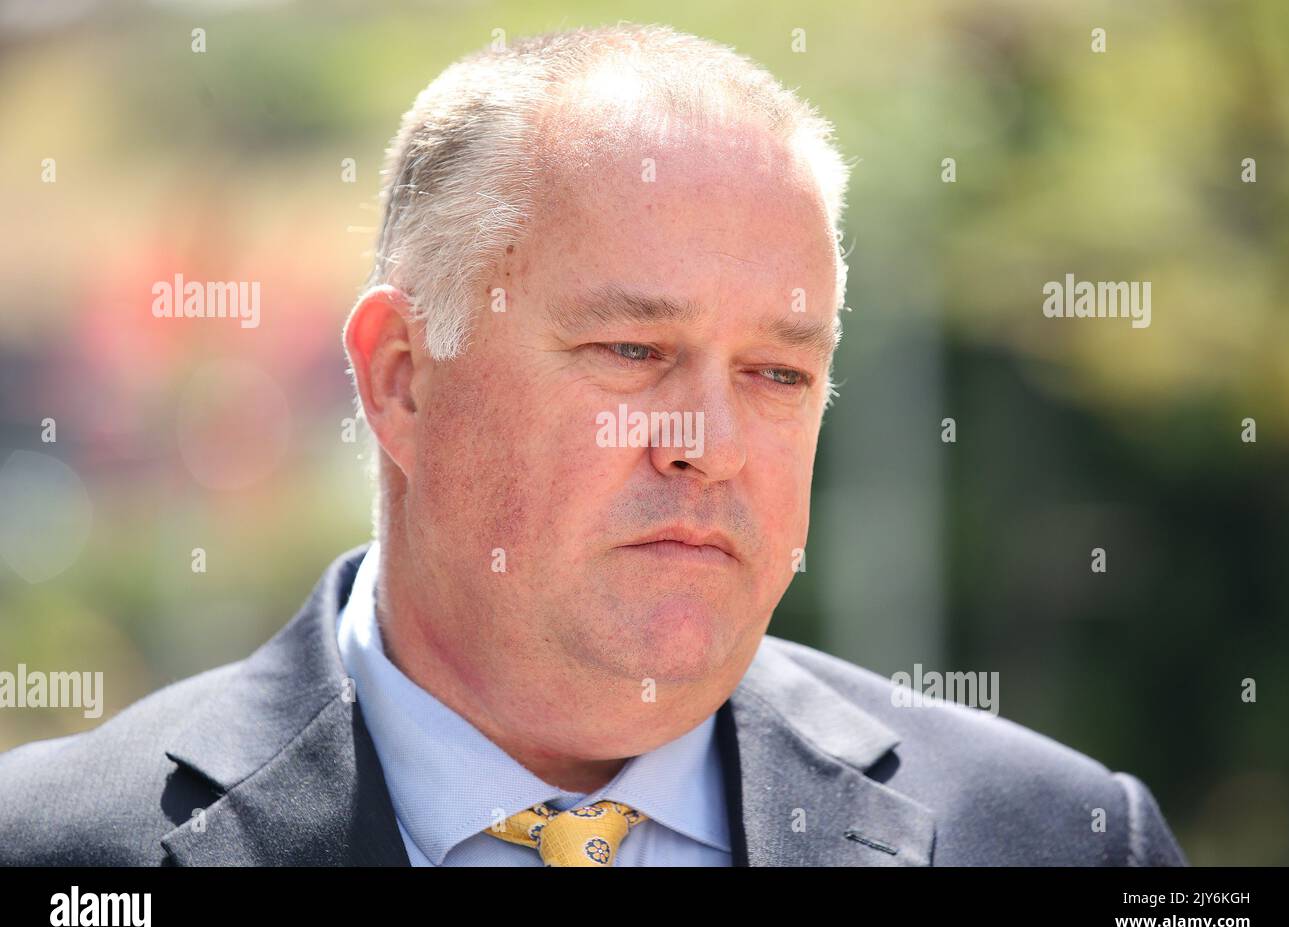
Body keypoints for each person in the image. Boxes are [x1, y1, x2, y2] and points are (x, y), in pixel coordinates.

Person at [0, 23, 1186, 866]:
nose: (708, 445)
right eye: (632, 351)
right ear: (402, 382)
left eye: (778, 373)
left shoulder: (1062, 838)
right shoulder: (56, 851)